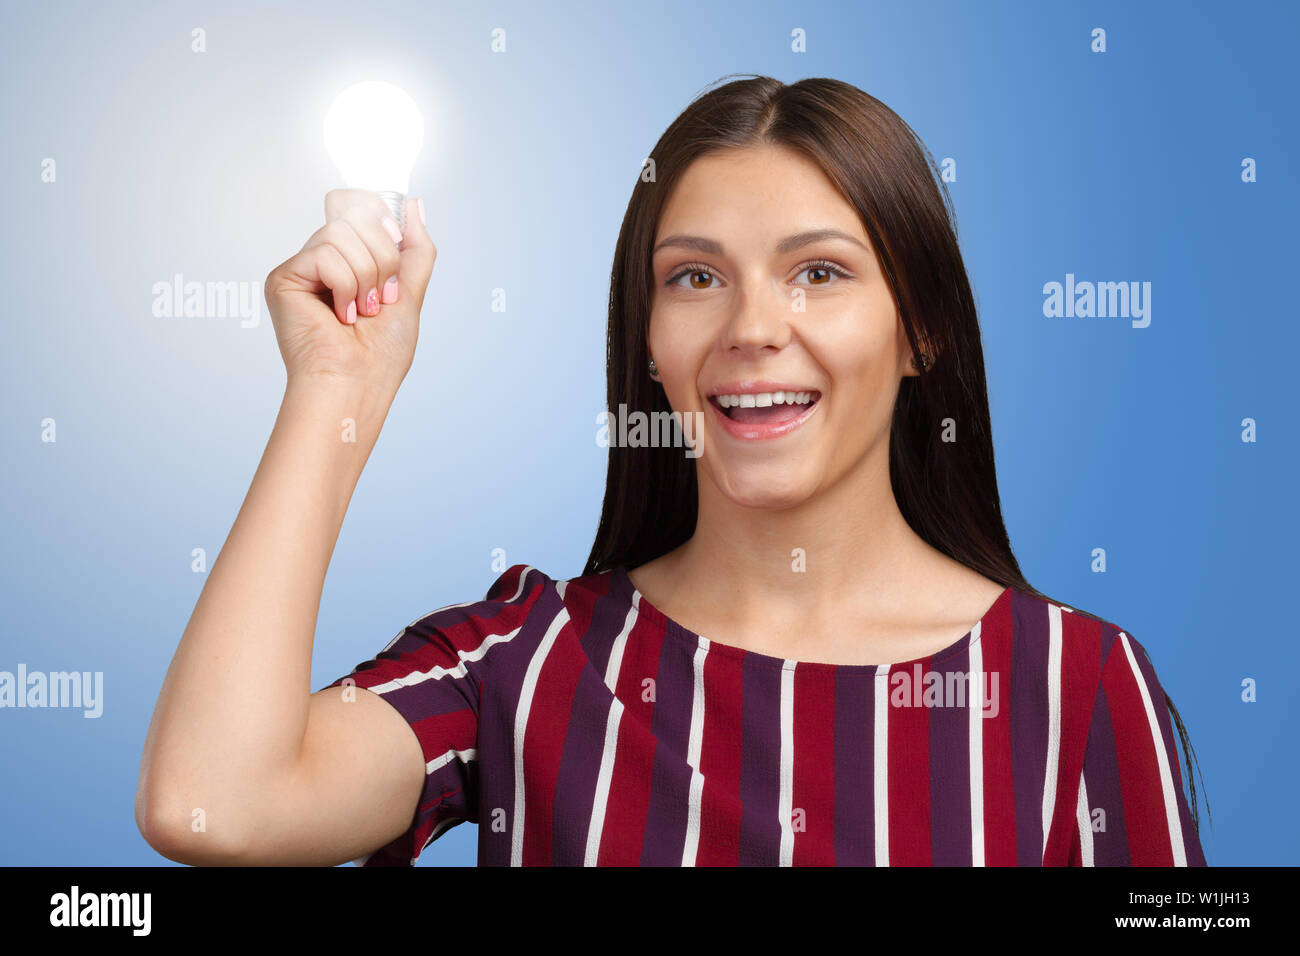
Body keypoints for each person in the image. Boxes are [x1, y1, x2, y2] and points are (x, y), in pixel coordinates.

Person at [135, 74, 1207, 867]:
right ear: (649, 339)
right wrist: (337, 389)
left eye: (818, 272)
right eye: (695, 275)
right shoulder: (523, 658)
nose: (751, 327)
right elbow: (209, 804)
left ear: (919, 326)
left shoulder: (1080, 687)